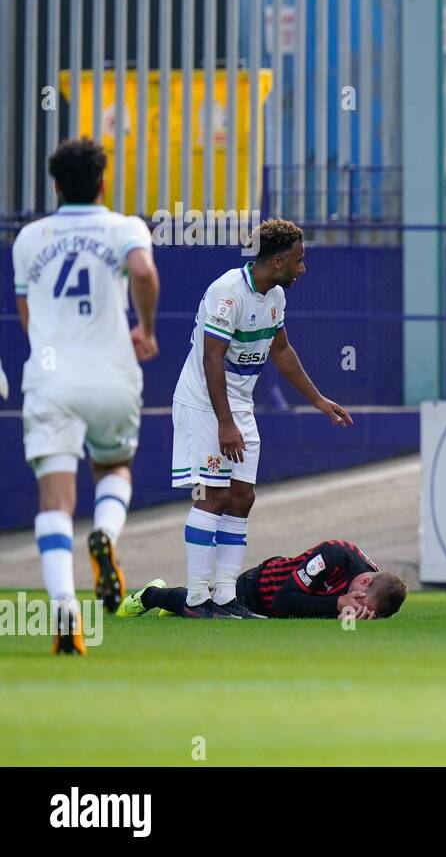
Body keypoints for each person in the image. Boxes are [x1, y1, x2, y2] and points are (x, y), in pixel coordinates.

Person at [11, 138, 160, 654]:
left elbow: (28, 317)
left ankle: (64, 610)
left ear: (56, 185)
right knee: (114, 469)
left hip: (52, 380)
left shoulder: (29, 238)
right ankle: (107, 538)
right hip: (112, 376)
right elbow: (141, 271)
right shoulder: (124, 228)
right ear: (103, 182)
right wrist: (146, 328)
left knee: (54, 500)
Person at [172, 219, 353, 619]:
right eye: (298, 261)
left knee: (242, 497)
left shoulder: (275, 297)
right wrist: (224, 423)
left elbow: (283, 351)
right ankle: (196, 599)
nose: (302, 269)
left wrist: (319, 400)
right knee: (211, 495)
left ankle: (224, 597)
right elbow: (211, 358)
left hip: (239, 405)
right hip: (205, 404)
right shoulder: (226, 293)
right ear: (276, 261)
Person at [117, 539, 407, 620]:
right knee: (202, 610)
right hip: (259, 588)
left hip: (275, 606)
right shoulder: (334, 555)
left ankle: (173, 605)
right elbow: (284, 600)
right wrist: (337, 603)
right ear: (366, 581)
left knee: (197, 606)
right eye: (358, 600)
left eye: (362, 609)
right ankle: (151, 595)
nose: (354, 606)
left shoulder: (374, 585)